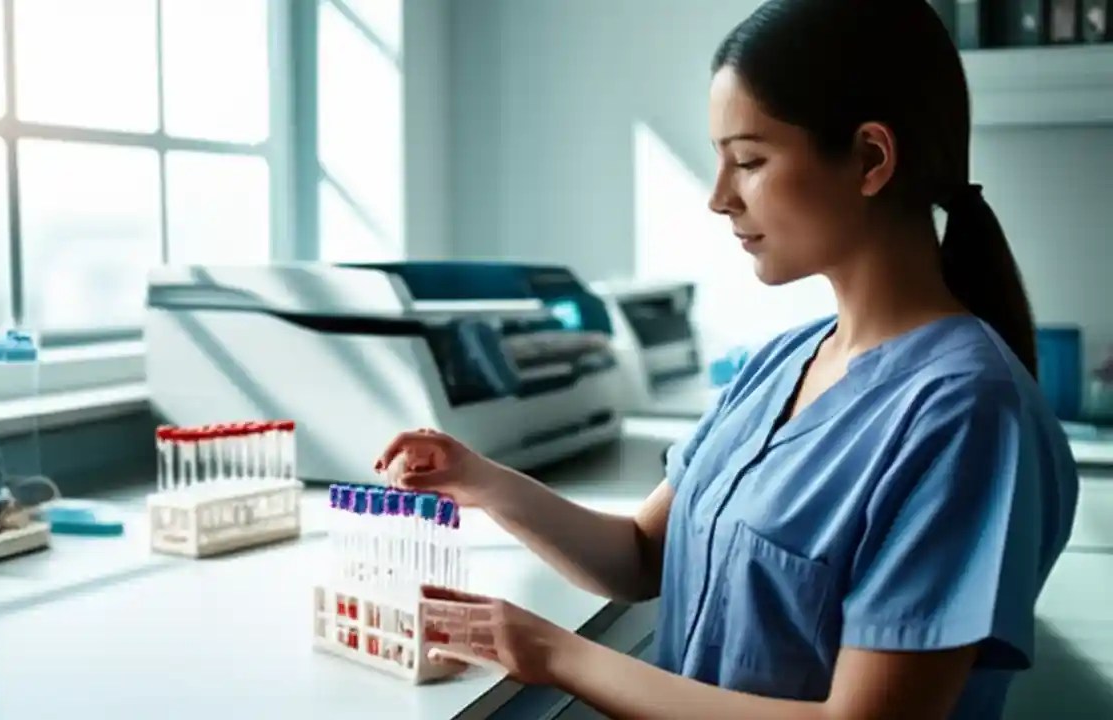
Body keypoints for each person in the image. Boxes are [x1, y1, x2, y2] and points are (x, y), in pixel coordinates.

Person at [375, 0, 1080, 718]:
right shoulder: (781, 363)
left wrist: (555, 652)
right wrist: (484, 482)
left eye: (747, 161)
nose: (718, 198)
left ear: (870, 159)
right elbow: (642, 557)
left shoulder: (966, 413)